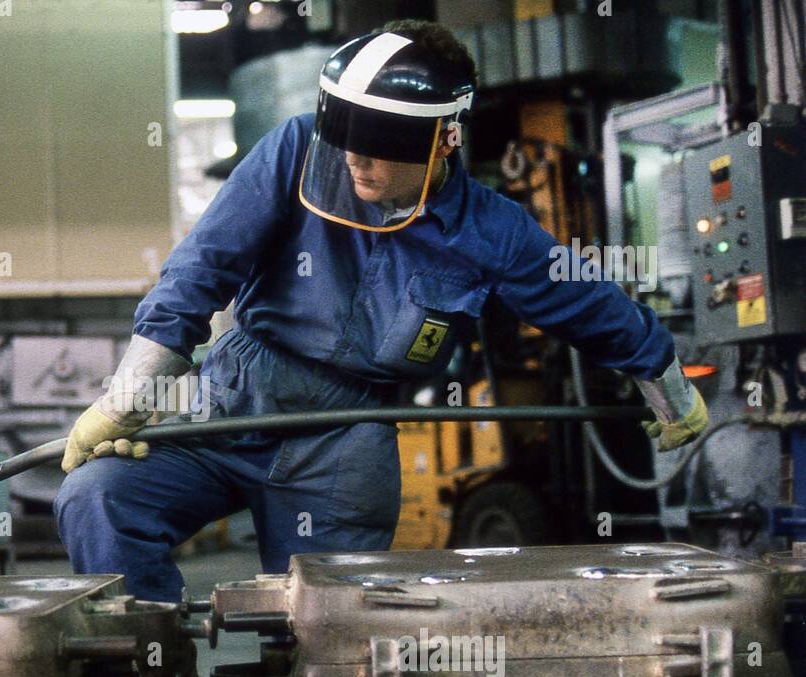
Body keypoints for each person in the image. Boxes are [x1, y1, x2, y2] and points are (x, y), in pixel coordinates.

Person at [54, 20, 708, 603]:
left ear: (446, 138)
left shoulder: (493, 232)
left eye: (383, 139)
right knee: (97, 497)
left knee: (326, 623)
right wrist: (127, 397)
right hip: (233, 400)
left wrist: (670, 392)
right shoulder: (296, 151)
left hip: (348, 436)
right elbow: (200, 267)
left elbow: (590, 304)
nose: (355, 157)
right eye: (344, 130)